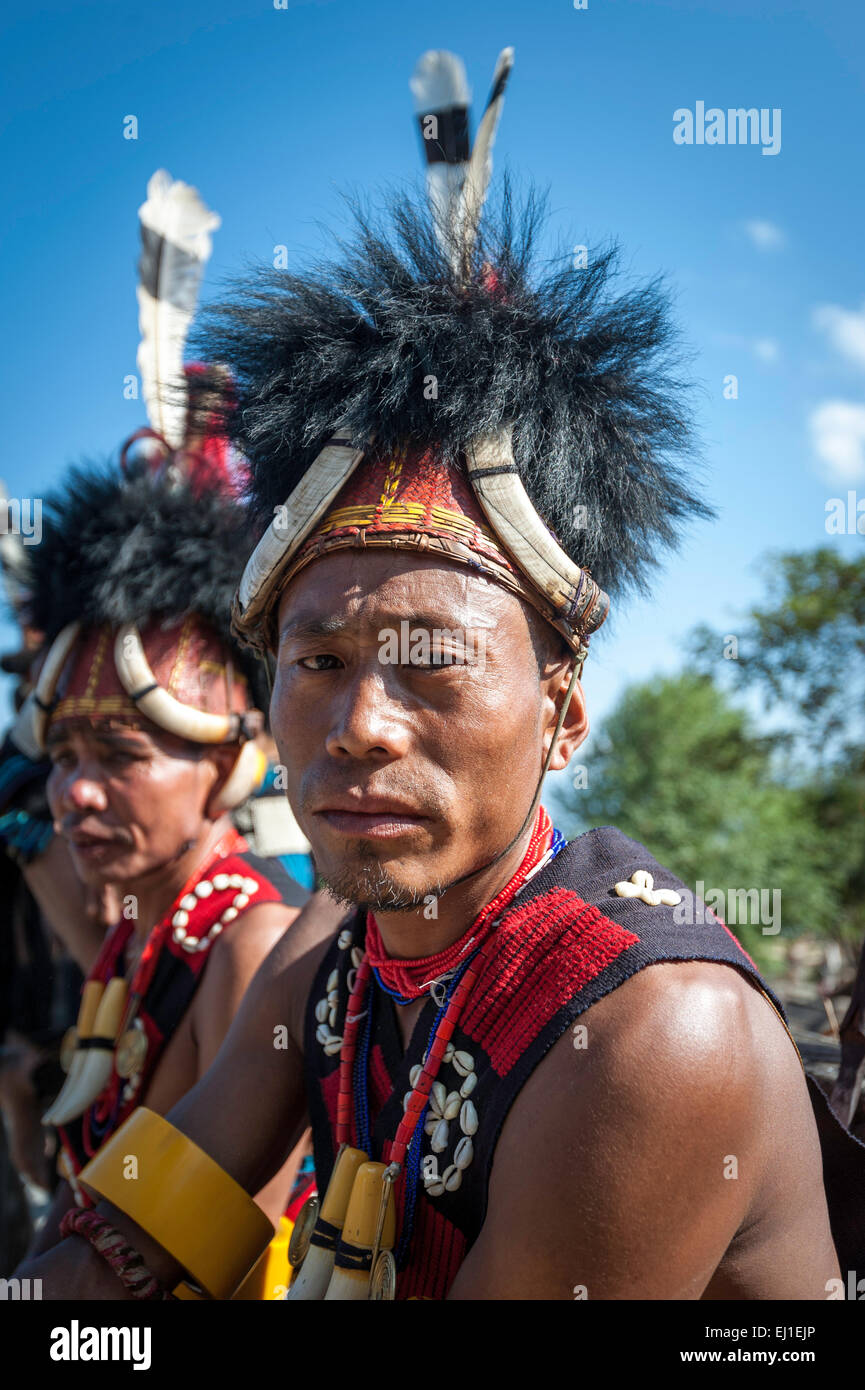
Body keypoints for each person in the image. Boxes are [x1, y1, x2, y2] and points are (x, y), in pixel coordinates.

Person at [18, 48, 864, 1301]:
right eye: (317, 659)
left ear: (562, 713)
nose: (358, 724)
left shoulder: (646, 1033)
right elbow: (115, 1255)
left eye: (432, 666)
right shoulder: (347, 961)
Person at [11, 170, 318, 1297]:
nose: (73, 795)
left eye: (124, 756)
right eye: (66, 758)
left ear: (234, 760)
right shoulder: (125, 943)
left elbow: (186, 1271)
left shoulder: (251, 951)